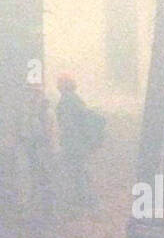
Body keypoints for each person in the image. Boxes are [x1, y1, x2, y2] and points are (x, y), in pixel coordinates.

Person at [54, 73, 105, 210]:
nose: (57, 86)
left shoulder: (66, 101)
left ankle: (86, 202)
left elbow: (69, 126)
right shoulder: (76, 99)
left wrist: (66, 141)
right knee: (80, 171)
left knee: (77, 173)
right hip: (80, 144)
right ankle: (88, 201)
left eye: (59, 83)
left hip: (73, 145)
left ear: (64, 86)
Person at [10, 82, 56, 219]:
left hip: (41, 147)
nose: (32, 95)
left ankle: (46, 209)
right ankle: (24, 206)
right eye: (29, 92)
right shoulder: (21, 111)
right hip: (24, 146)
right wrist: (13, 142)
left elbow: (52, 132)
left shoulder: (47, 112)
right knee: (24, 176)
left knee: (43, 177)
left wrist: (52, 149)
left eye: (36, 92)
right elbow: (16, 127)